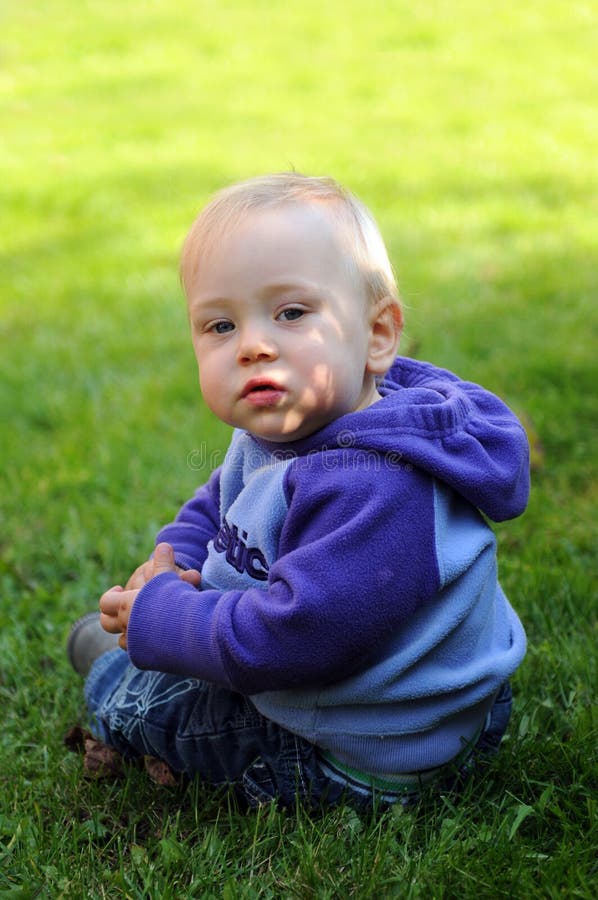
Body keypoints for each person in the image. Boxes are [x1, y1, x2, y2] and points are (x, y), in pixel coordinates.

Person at [67, 173, 530, 809]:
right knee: (173, 645)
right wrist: (174, 559)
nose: (254, 346)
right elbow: (221, 498)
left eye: (290, 313)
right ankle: (134, 651)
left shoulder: (378, 484)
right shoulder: (295, 419)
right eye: (220, 325)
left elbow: (290, 641)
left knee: (146, 706)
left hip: (378, 743)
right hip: (389, 695)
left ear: (377, 335)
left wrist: (164, 620)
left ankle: (108, 673)